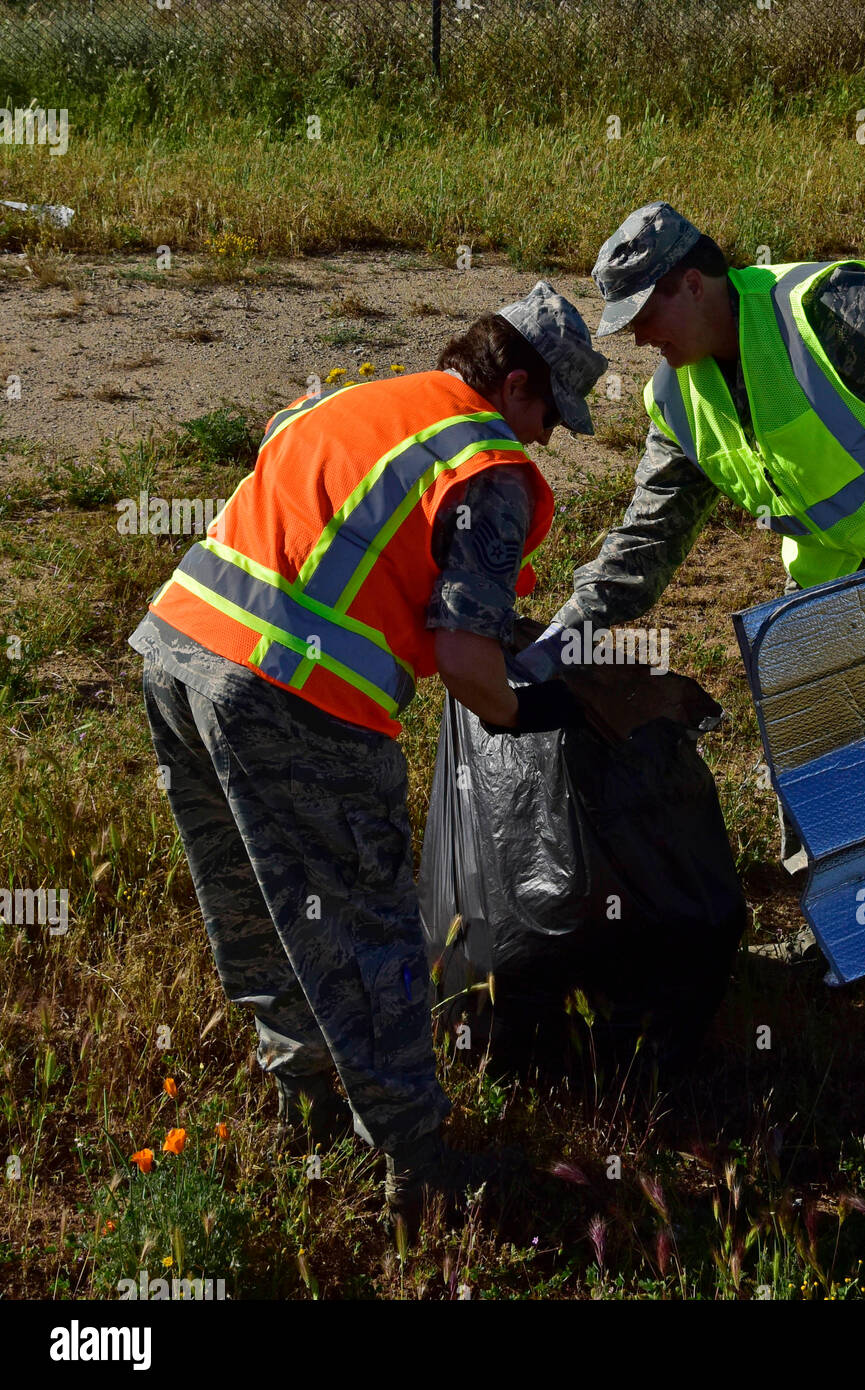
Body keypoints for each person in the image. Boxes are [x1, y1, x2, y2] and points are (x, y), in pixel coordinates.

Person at [128, 281, 605, 1227]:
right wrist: (533, 709)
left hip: (177, 650)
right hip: (293, 700)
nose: (546, 438)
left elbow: (298, 475)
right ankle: (420, 1165)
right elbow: (469, 665)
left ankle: (303, 1111)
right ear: (515, 385)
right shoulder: (488, 466)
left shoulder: (351, 398)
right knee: (369, 925)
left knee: (257, 908)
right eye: (551, 413)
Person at [520, 202, 865, 1037]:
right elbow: (648, 537)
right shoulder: (681, 401)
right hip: (847, 580)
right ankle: (841, 930)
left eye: (646, 314)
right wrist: (571, 627)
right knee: (813, 745)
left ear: (694, 283)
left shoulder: (823, 308)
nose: (641, 338)